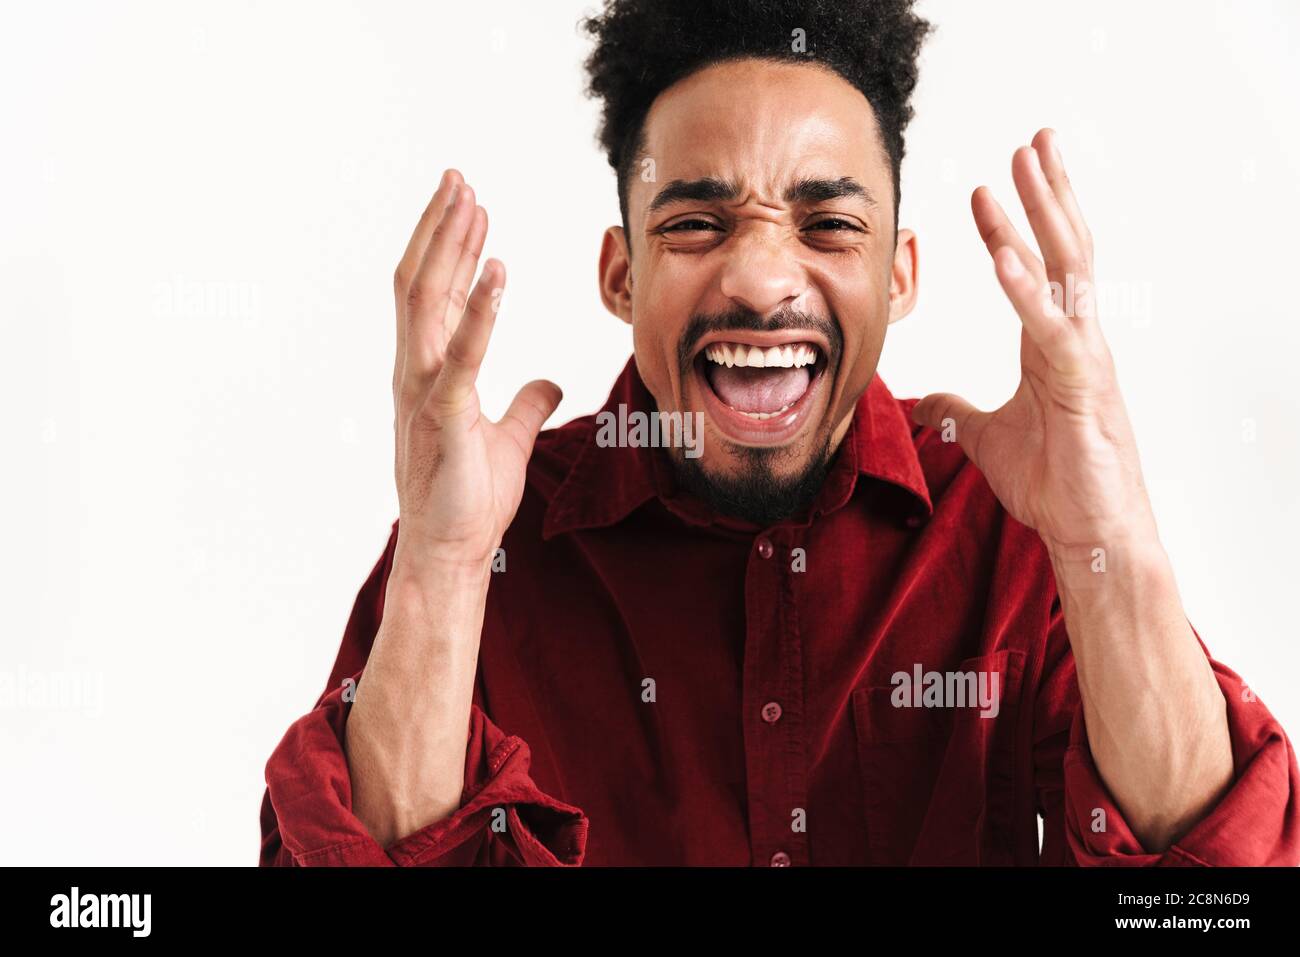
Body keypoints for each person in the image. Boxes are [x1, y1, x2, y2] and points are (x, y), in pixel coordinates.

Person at [259, 0, 1299, 866]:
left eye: (828, 223)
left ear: (899, 273)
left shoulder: (1016, 536)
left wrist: (1104, 539)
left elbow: (1205, 893)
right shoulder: (483, 541)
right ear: (623, 275)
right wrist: (440, 564)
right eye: (696, 224)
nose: (760, 280)